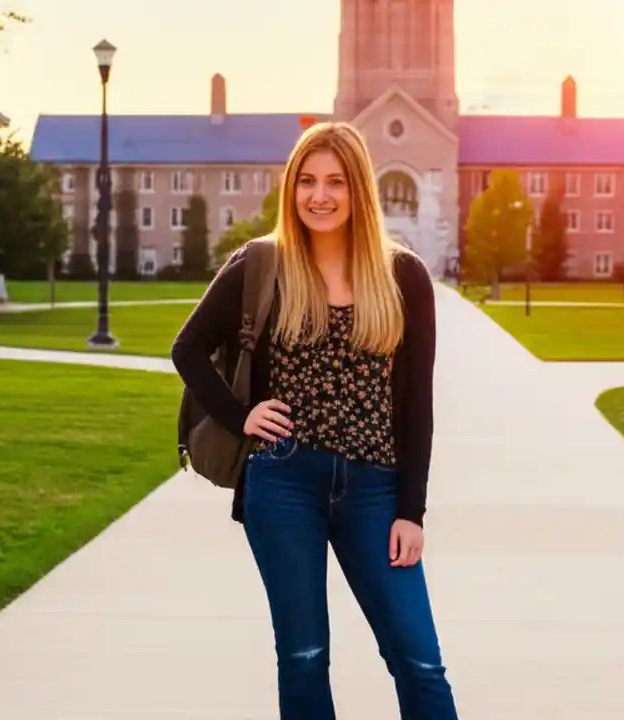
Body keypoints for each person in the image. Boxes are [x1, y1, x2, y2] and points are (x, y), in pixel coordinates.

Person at [170, 121, 458, 720]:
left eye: (334, 182)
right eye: (306, 181)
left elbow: (416, 407)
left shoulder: (403, 278)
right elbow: (188, 350)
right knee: (303, 655)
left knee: (419, 659)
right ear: (291, 188)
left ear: (359, 190)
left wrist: (412, 510)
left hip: (376, 491)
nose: (319, 195)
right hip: (283, 484)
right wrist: (242, 415)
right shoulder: (262, 265)